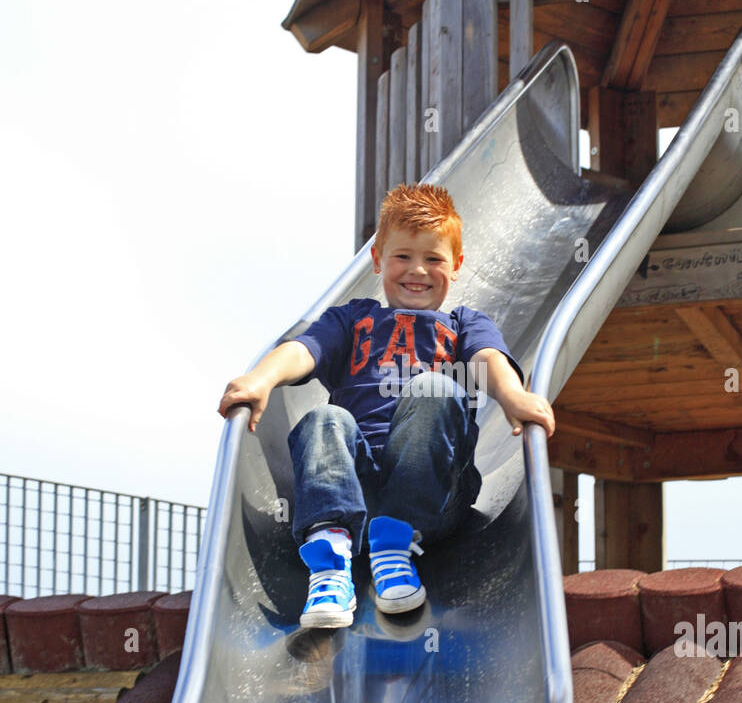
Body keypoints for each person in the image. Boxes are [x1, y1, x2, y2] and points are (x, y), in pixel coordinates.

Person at [218, 184, 555, 628]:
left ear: (455, 266)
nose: (418, 270)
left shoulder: (463, 324)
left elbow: (486, 360)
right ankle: (332, 559)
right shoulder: (353, 319)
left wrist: (512, 394)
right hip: (353, 490)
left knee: (436, 389)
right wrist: (261, 379)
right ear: (377, 259)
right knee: (324, 419)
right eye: (402, 257)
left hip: (433, 497)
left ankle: (395, 545)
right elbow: (304, 350)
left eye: (433, 259)